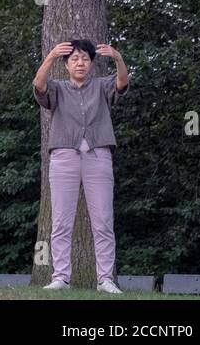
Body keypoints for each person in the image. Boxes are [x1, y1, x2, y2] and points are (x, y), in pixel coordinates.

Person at [33, 39, 129, 293]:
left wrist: (118, 58)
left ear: (91, 63)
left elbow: (121, 84)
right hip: (64, 157)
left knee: (103, 222)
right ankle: (61, 277)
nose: (80, 63)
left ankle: (105, 279)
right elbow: (38, 86)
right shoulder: (58, 87)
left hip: (99, 156)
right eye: (74, 58)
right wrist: (52, 55)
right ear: (66, 65)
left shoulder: (101, 85)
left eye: (85, 58)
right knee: (62, 221)